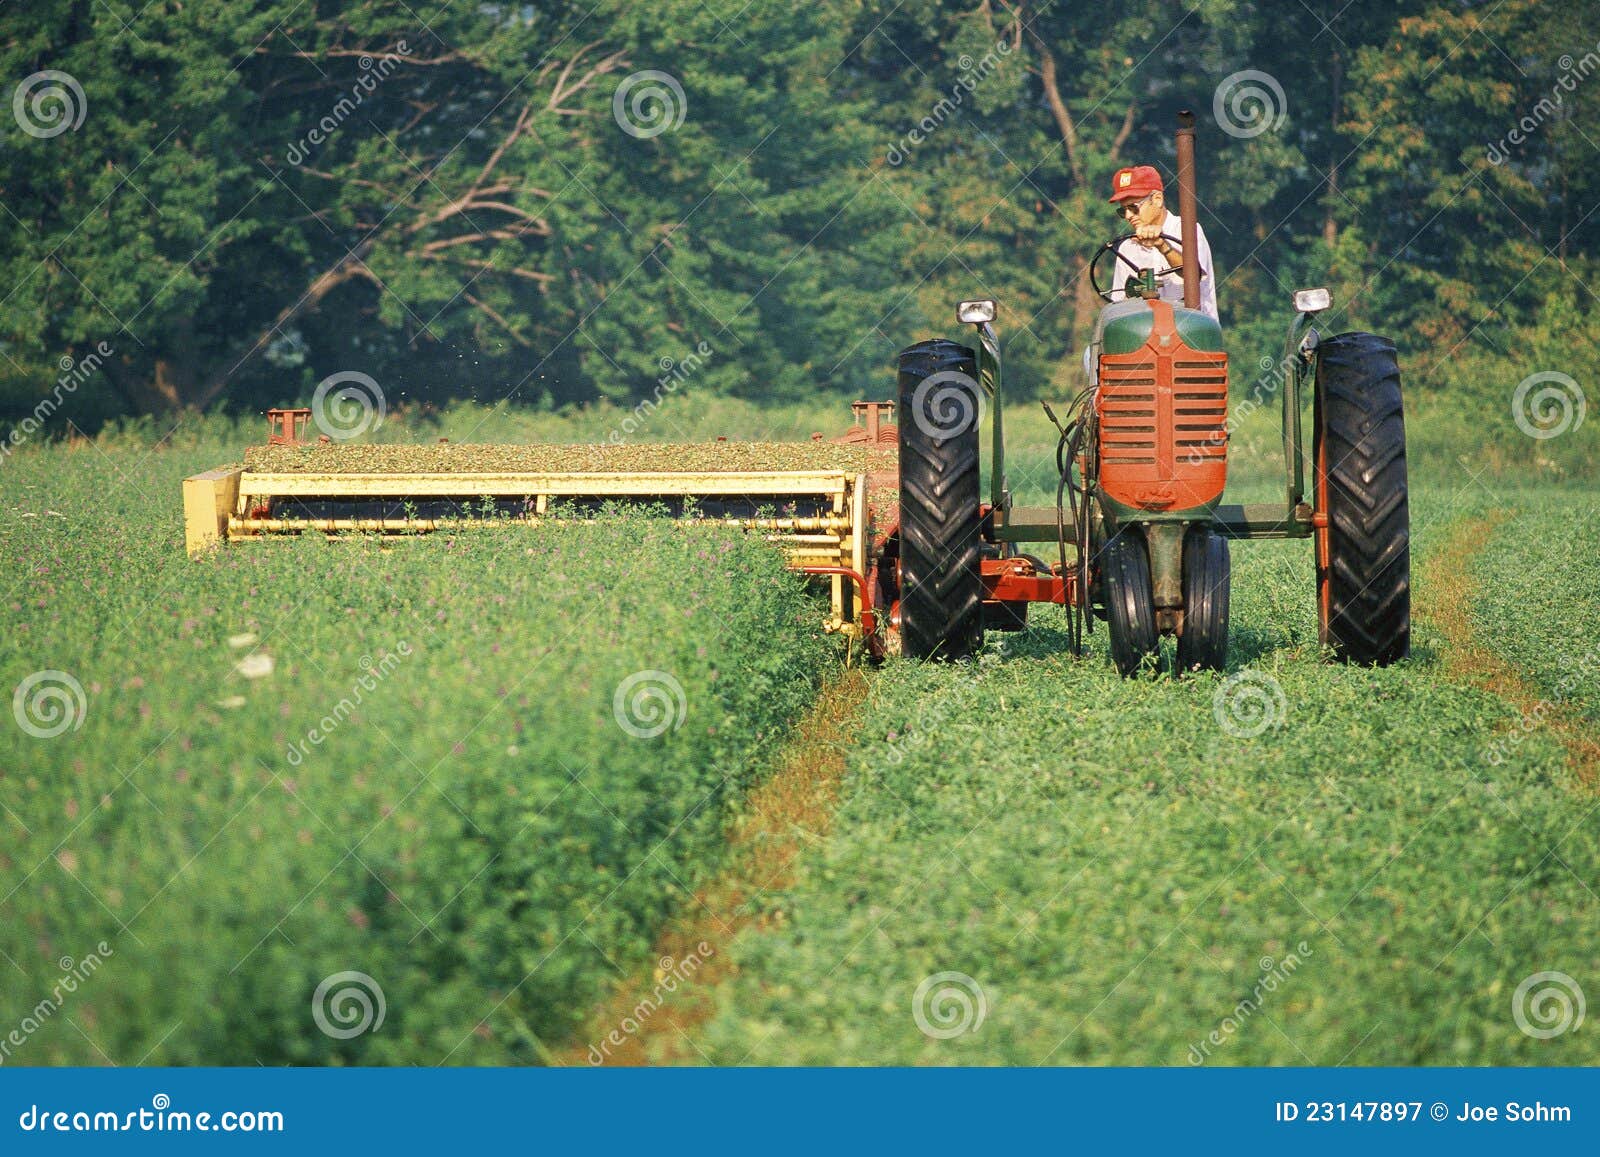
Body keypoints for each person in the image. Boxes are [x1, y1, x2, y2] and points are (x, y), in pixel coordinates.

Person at [1105, 164, 1218, 321]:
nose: (1129, 215)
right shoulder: (1126, 249)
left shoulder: (1187, 230)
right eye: (1123, 210)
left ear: (1157, 199)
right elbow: (1119, 306)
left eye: (1133, 207)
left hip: (1191, 332)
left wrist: (1162, 245)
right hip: (1145, 336)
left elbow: (1194, 275)